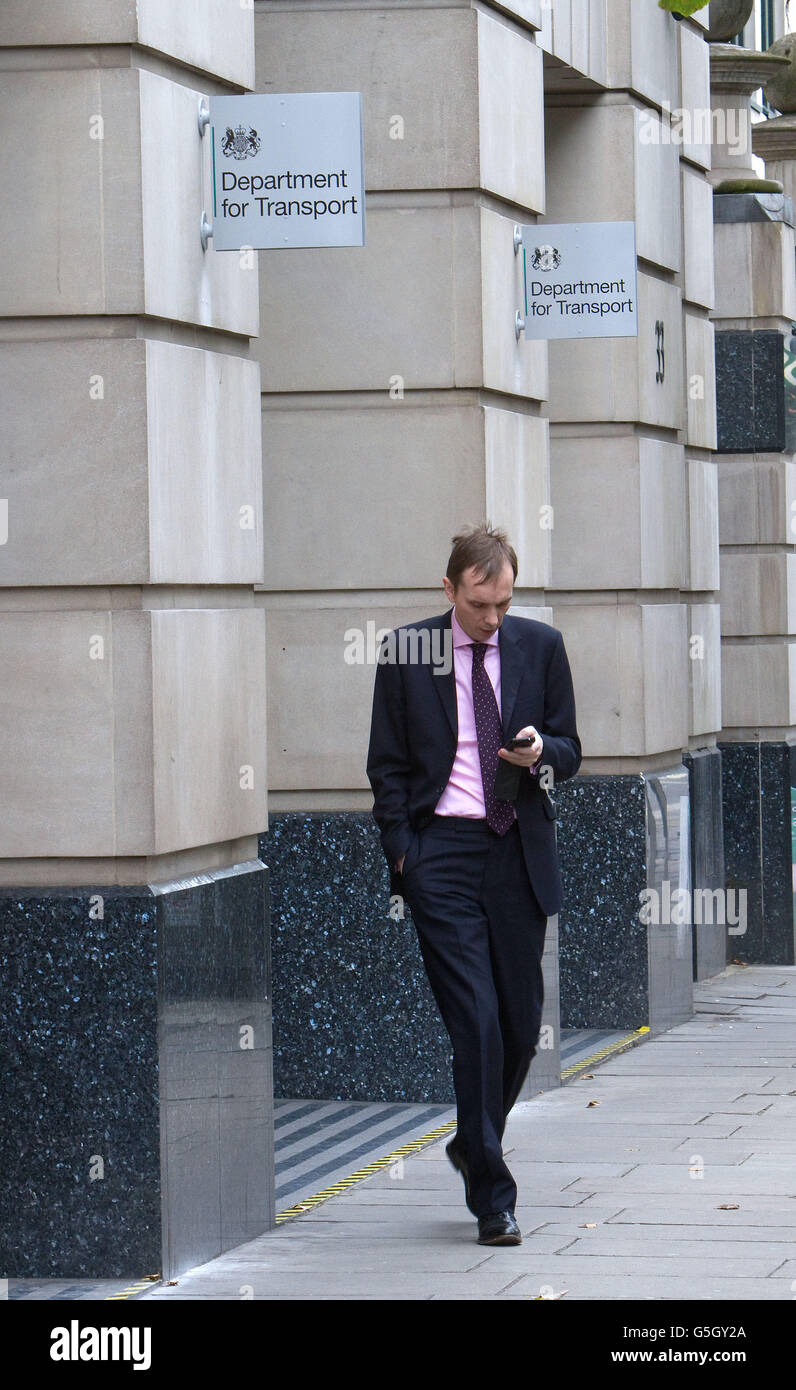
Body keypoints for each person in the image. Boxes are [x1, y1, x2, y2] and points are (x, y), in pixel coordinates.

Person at [366, 522, 581, 1245]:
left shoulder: (540, 647)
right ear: (450, 588)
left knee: (520, 1029)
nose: (493, 619)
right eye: (481, 604)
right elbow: (387, 765)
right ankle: (494, 1196)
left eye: (504, 604)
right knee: (477, 1024)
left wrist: (538, 752)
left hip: (516, 850)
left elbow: (572, 749)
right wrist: (405, 855)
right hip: (443, 856)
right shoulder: (406, 652)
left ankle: (472, 1140)